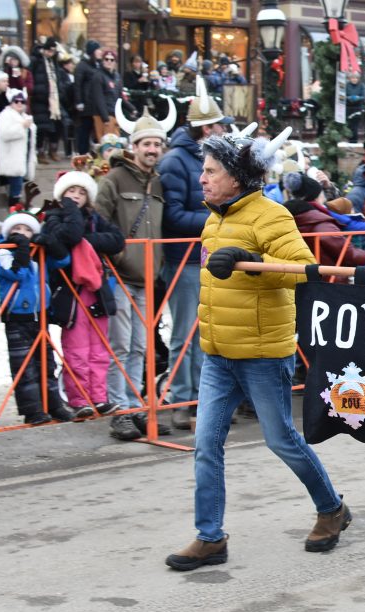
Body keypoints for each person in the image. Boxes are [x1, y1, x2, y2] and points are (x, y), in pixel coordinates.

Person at [164, 126, 351, 571]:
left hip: (264, 355)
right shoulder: (215, 218)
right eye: (202, 170)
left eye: (210, 171)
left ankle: (331, 509)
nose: (202, 178)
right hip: (218, 354)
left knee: (281, 440)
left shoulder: (272, 215)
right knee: (205, 445)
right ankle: (210, 537)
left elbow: (303, 269)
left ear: (235, 176)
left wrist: (251, 266)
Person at [158, 79, 235, 430]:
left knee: (211, 334)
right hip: (185, 260)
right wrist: (215, 218)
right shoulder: (175, 160)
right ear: (206, 128)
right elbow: (171, 216)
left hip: (210, 258)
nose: (225, 130)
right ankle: (182, 401)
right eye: (220, 125)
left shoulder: (214, 158)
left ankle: (207, 402)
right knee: (185, 335)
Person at [97, 105, 174, 440]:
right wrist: (113, 256)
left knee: (141, 346)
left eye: (157, 144)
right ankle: (120, 410)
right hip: (118, 276)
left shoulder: (156, 182)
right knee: (121, 346)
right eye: (146, 144)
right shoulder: (113, 179)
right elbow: (96, 223)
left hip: (146, 278)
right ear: (134, 145)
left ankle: (134, 403)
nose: (152, 149)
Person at [44, 170, 125, 419]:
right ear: (61, 194)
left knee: (99, 348)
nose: (76, 196)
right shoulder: (53, 217)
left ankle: (99, 397)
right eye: (71, 191)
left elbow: (116, 240)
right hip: (71, 291)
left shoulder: (94, 217)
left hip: (96, 290)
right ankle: (79, 399)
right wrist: (69, 209)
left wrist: (87, 241)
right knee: (76, 349)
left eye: (81, 192)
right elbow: (70, 235)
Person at [0, 210, 75, 424]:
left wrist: (49, 242)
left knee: (46, 362)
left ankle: (53, 404)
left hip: (40, 316)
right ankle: (32, 410)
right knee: (24, 366)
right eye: (17, 229)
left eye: (28, 230)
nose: (22, 233)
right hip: (17, 317)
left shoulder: (38, 252)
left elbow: (64, 260)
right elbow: (16, 273)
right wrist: (20, 247)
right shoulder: (3, 251)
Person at [283, 176, 365, 267]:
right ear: (316, 198)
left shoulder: (286, 217)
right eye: (322, 194)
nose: (324, 198)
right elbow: (349, 255)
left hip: (296, 274)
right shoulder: (322, 224)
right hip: (327, 277)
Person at [0, 89, 37, 207]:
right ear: (11, 102)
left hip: (22, 158)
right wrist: (22, 126)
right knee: (16, 186)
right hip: (11, 159)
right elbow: (4, 134)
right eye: (16, 101)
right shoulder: (4, 115)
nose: (19, 103)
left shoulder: (25, 116)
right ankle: (14, 208)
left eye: (22, 101)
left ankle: (17, 205)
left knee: (18, 186)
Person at [29, 37, 63, 164]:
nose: (51, 53)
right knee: (42, 128)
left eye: (53, 51)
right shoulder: (36, 60)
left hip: (53, 100)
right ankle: (40, 152)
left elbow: (56, 79)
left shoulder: (53, 62)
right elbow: (31, 77)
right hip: (40, 99)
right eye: (49, 50)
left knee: (56, 126)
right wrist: (37, 92)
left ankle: (52, 150)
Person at [73, 40, 103, 153]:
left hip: (96, 105)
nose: (100, 52)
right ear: (92, 51)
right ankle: (82, 154)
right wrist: (79, 102)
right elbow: (77, 85)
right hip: (86, 105)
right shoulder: (82, 66)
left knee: (95, 131)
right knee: (84, 131)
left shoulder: (97, 64)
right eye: (98, 50)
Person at [344, 71, 365, 143]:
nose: (354, 79)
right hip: (348, 108)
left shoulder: (362, 85)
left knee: (355, 126)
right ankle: (349, 139)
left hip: (357, 108)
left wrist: (357, 98)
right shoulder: (346, 85)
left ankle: (354, 141)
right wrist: (349, 98)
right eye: (353, 78)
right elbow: (343, 95)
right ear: (350, 78)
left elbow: (363, 96)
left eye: (356, 78)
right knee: (349, 125)